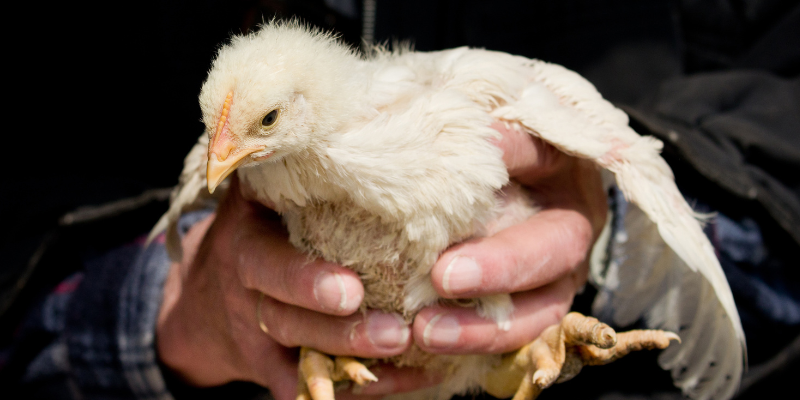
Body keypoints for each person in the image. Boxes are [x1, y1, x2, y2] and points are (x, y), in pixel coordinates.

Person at [3, 1, 798, 399]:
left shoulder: (481, 89)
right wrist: (169, 307)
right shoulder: (248, 136)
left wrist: (610, 241)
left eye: (260, 128)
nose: (223, 166)